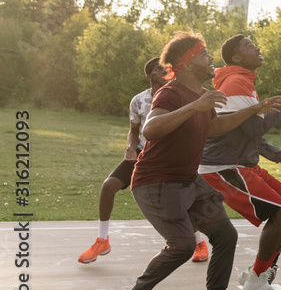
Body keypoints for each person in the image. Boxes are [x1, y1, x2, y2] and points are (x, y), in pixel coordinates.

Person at [107, 32, 281, 290]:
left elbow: (214, 127)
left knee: (226, 235)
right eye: (204, 55)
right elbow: (151, 128)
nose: (211, 58)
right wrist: (194, 106)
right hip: (156, 183)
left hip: (188, 180)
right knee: (183, 246)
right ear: (187, 64)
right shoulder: (171, 93)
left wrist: (253, 111)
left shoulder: (202, 93)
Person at [201, 34, 281, 290]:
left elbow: (250, 134)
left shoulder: (243, 81)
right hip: (222, 166)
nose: (258, 47)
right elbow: (256, 128)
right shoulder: (236, 83)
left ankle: (258, 272)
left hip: (241, 161)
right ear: (237, 57)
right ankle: (258, 280)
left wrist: (280, 157)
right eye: (250, 46)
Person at [78, 58, 209, 263]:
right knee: (108, 185)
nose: (165, 70)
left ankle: (199, 242)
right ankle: (102, 240)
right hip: (142, 154)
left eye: (167, 67)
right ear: (149, 76)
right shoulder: (138, 100)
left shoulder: (178, 94)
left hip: (171, 157)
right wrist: (131, 147)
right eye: (159, 69)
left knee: (183, 199)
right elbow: (134, 131)